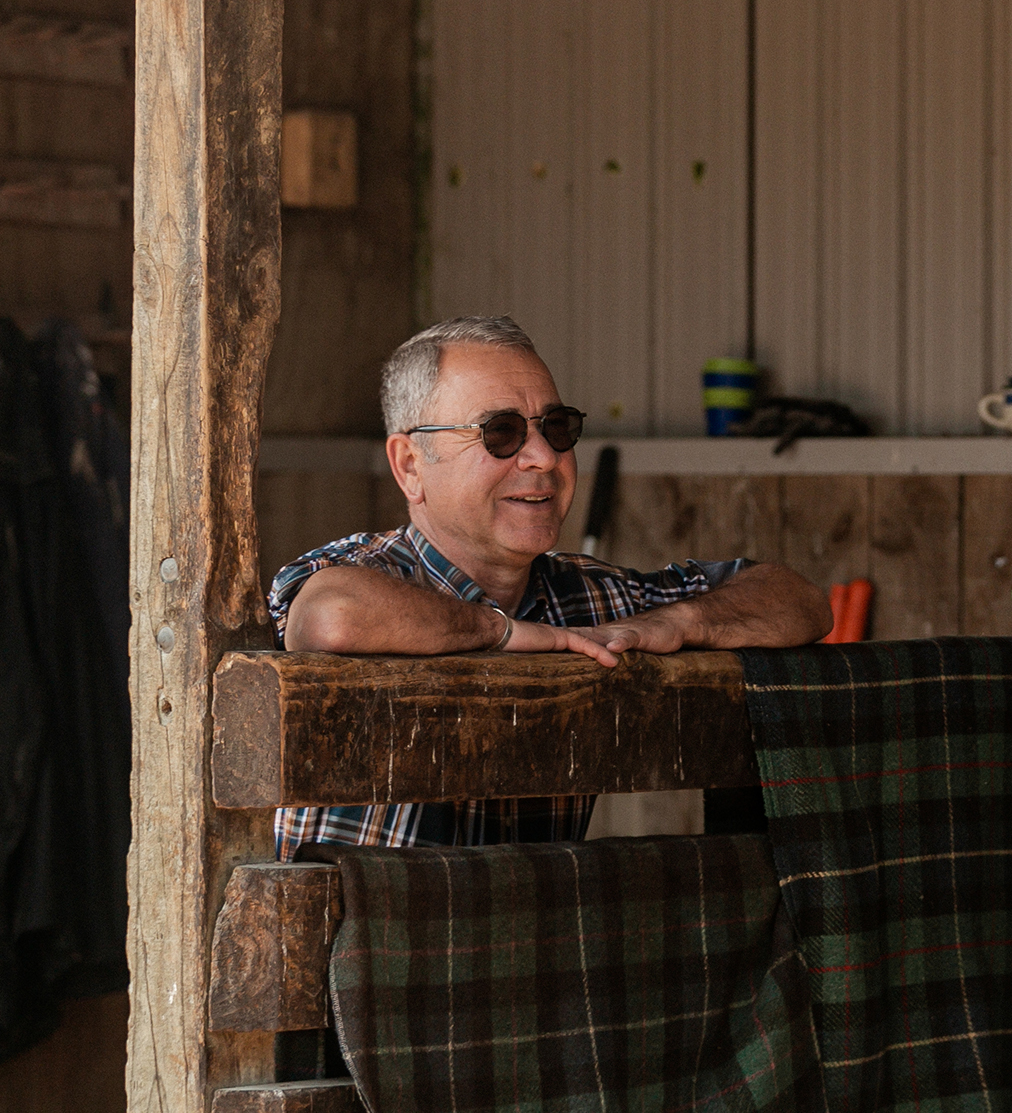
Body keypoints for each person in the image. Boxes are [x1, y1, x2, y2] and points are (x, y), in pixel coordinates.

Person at [270, 315, 831, 859]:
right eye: (501, 433)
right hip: (354, 949)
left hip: (524, 942)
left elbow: (800, 600)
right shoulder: (368, 572)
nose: (544, 458)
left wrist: (678, 623)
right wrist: (505, 634)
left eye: (557, 428)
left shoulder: (588, 599)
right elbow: (331, 616)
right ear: (411, 465)